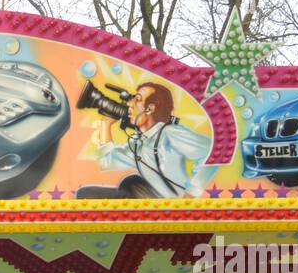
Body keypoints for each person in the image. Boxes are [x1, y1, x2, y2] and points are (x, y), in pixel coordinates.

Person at [76, 82, 211, 199]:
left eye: (137, 100)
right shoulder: (138, 142)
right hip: (148, 198)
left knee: (132, 183)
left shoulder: (169, 133)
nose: (130, 104)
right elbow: (106, 163)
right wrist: (106, 126)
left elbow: (210, 152)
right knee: (86, 194)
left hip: (169, 204)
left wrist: (191, 194)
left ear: (150, 108)